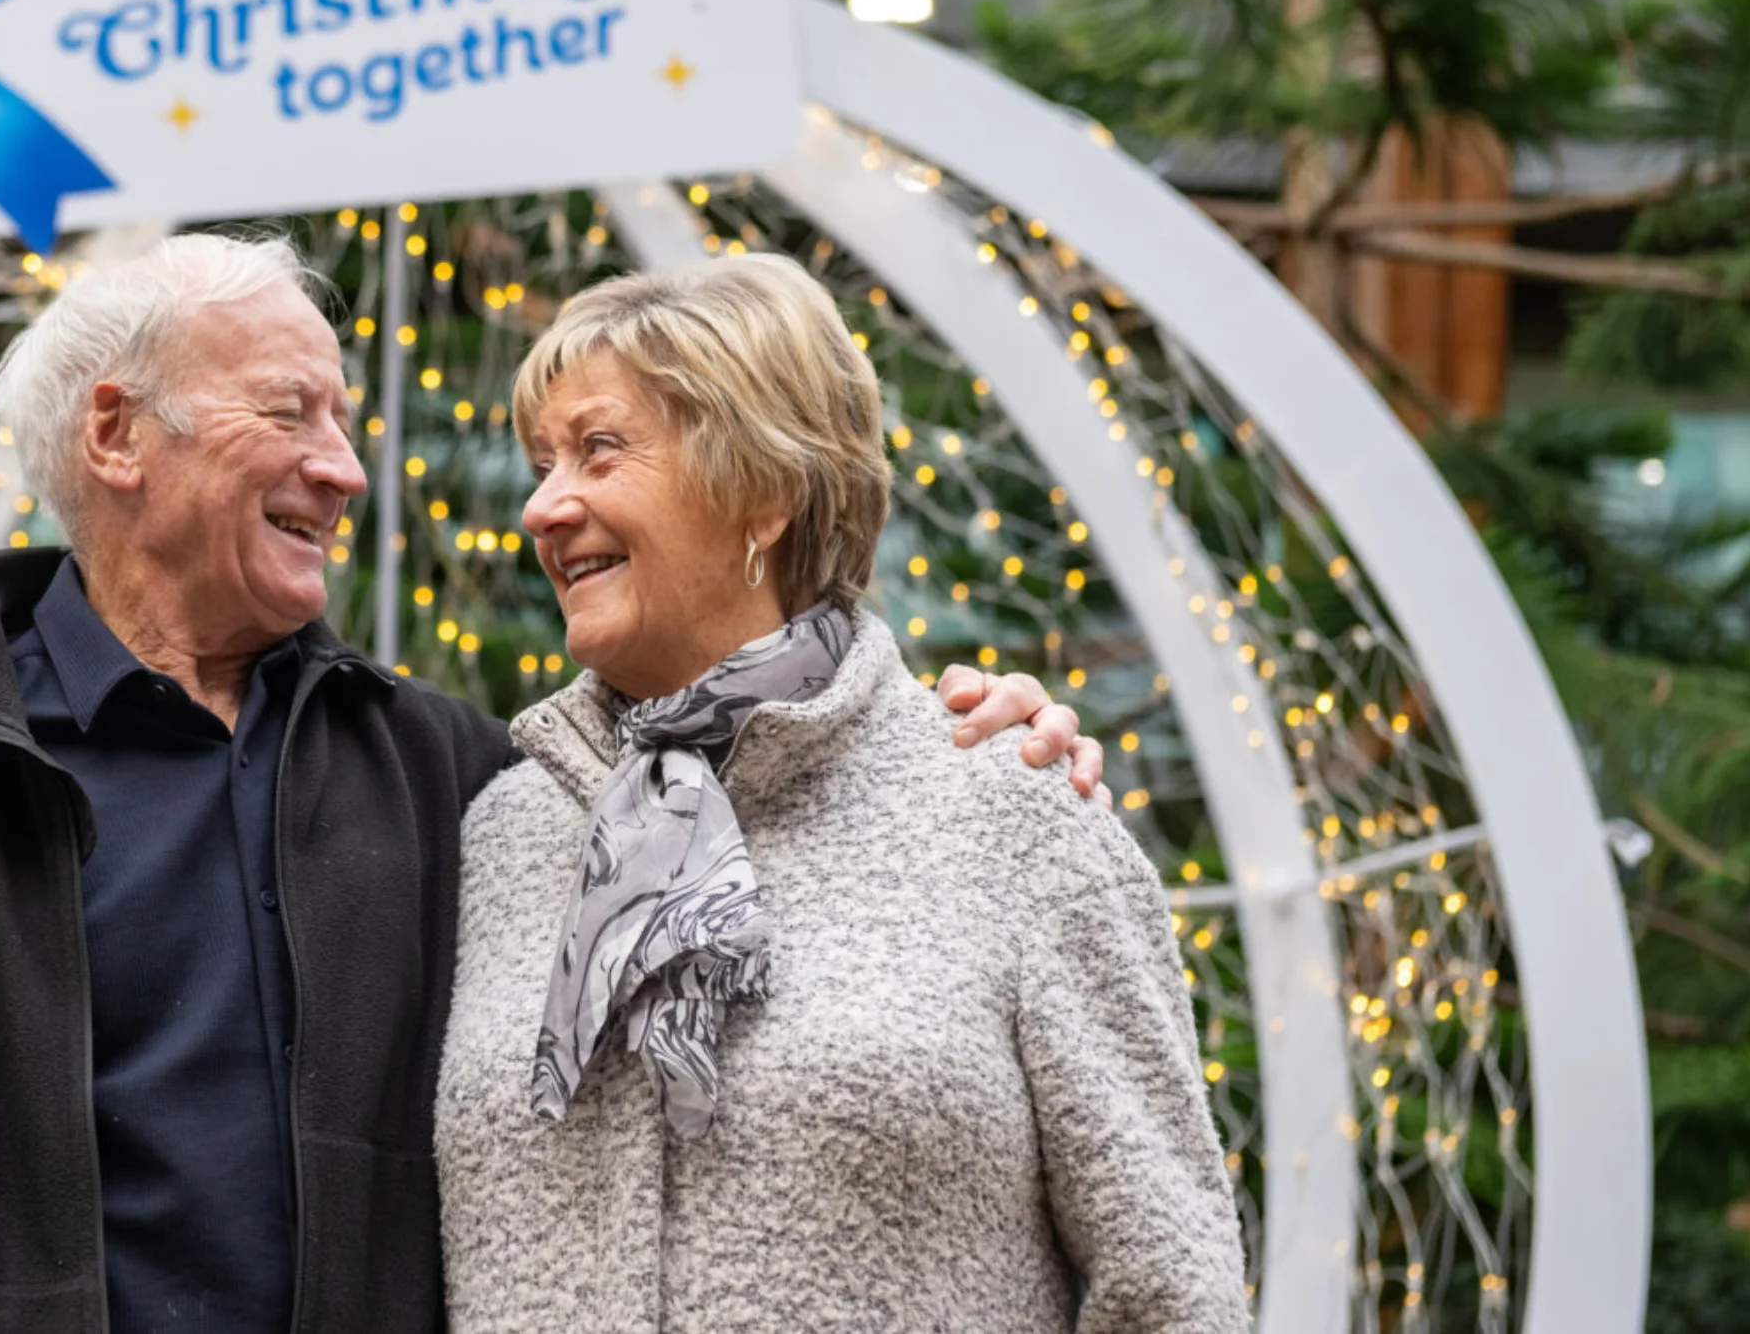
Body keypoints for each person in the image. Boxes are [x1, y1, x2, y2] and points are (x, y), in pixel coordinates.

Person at [0, 234, 1105, 1334]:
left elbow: (759, 781)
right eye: (292, 416)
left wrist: (982, 730)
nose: (345, 472)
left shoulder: (469, 782)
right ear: (115, 438)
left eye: (345, 424)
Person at [435, 254, 1250, 1332]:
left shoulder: (1006, 812)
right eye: (541, 462)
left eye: (598, 449)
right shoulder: (501, 833)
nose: (544, 507)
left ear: (762, 490)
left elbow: (1170, 1291)